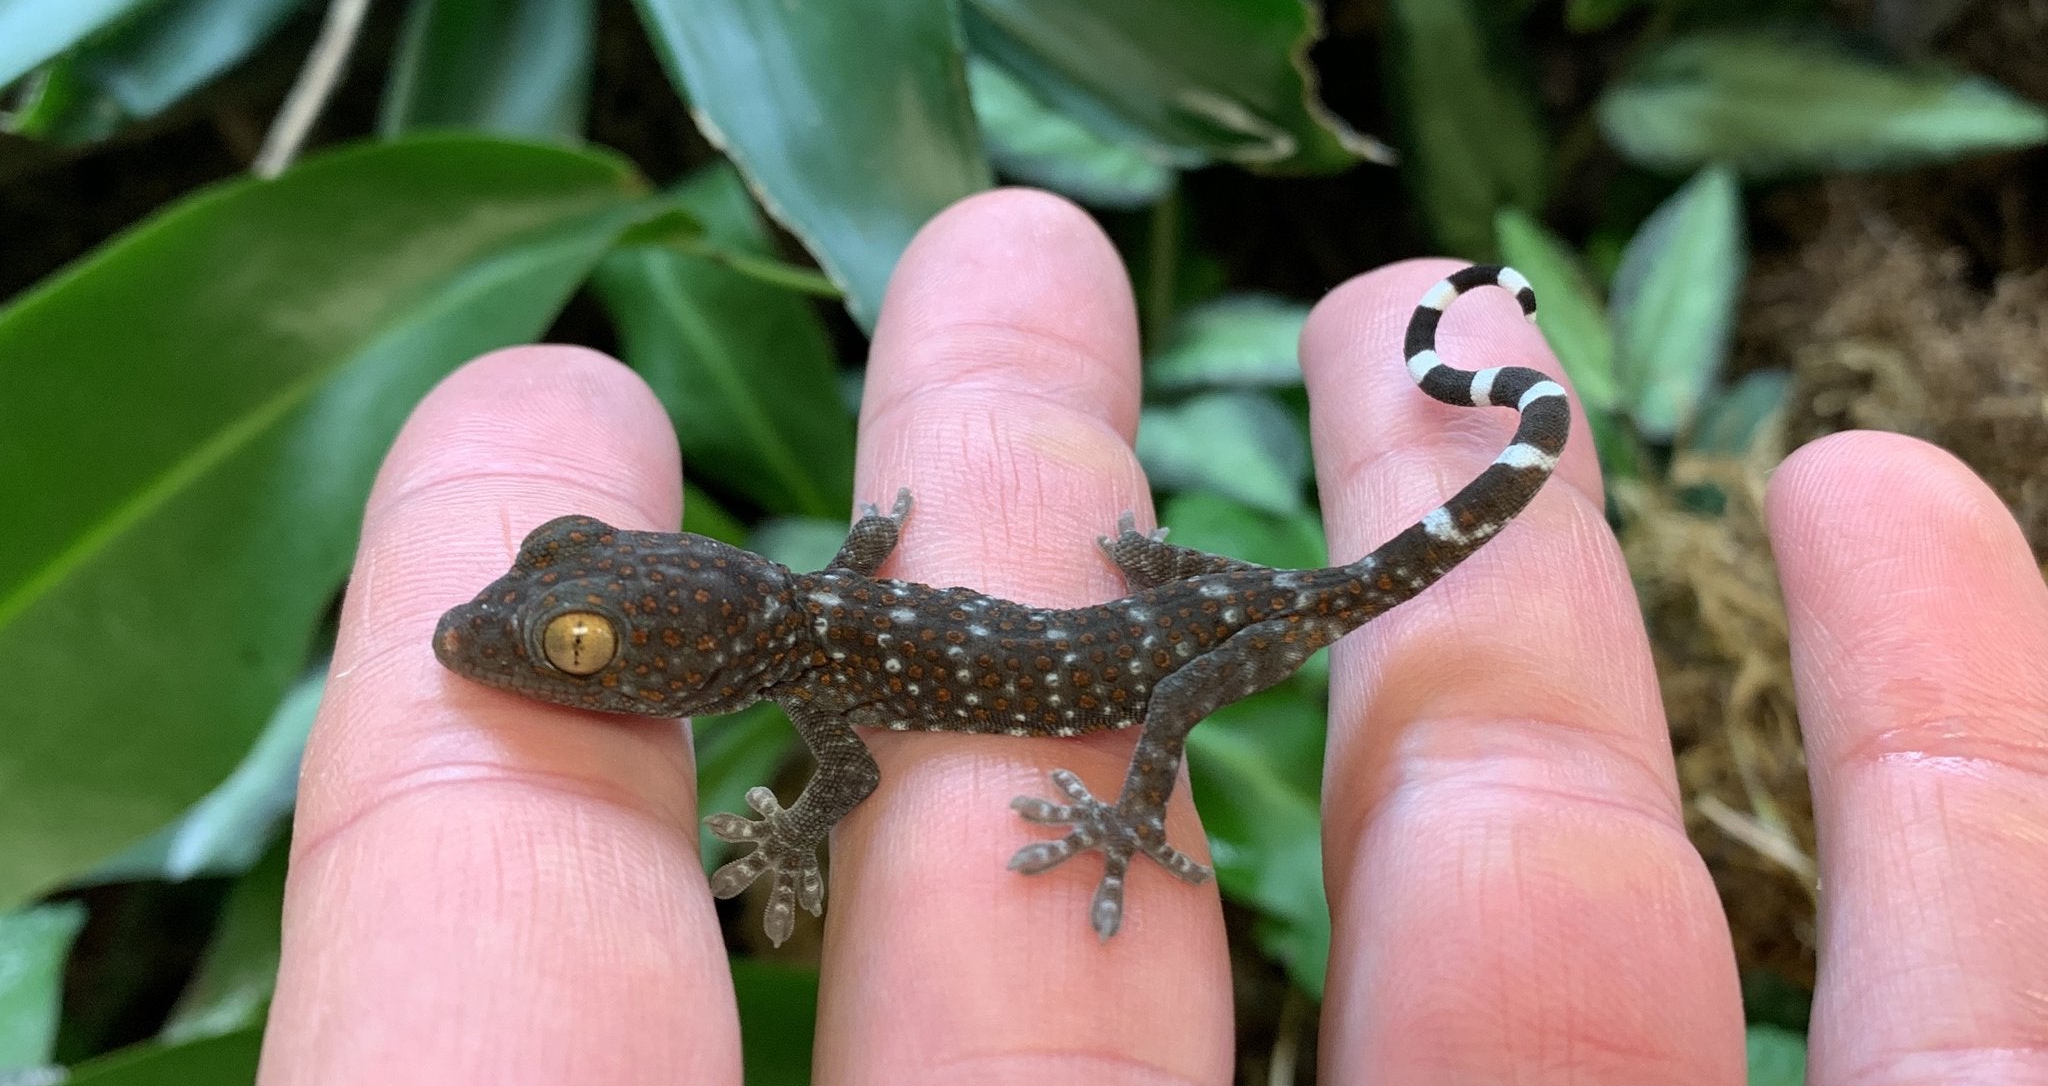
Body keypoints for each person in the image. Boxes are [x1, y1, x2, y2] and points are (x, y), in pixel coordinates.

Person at [258, 189, 2048, 1084]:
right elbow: (861, 647)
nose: (535, 639)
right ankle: (1476, 377)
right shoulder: (818, 618)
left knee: (1186, 676)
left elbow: (861, 761)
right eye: (579, 623)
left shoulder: (821, 654)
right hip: (1178, 596)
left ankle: (1488, 393)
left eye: (573, 636)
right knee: (1192, 619)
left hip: (1183, 649)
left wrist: (1103, 814)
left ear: (694, 653)